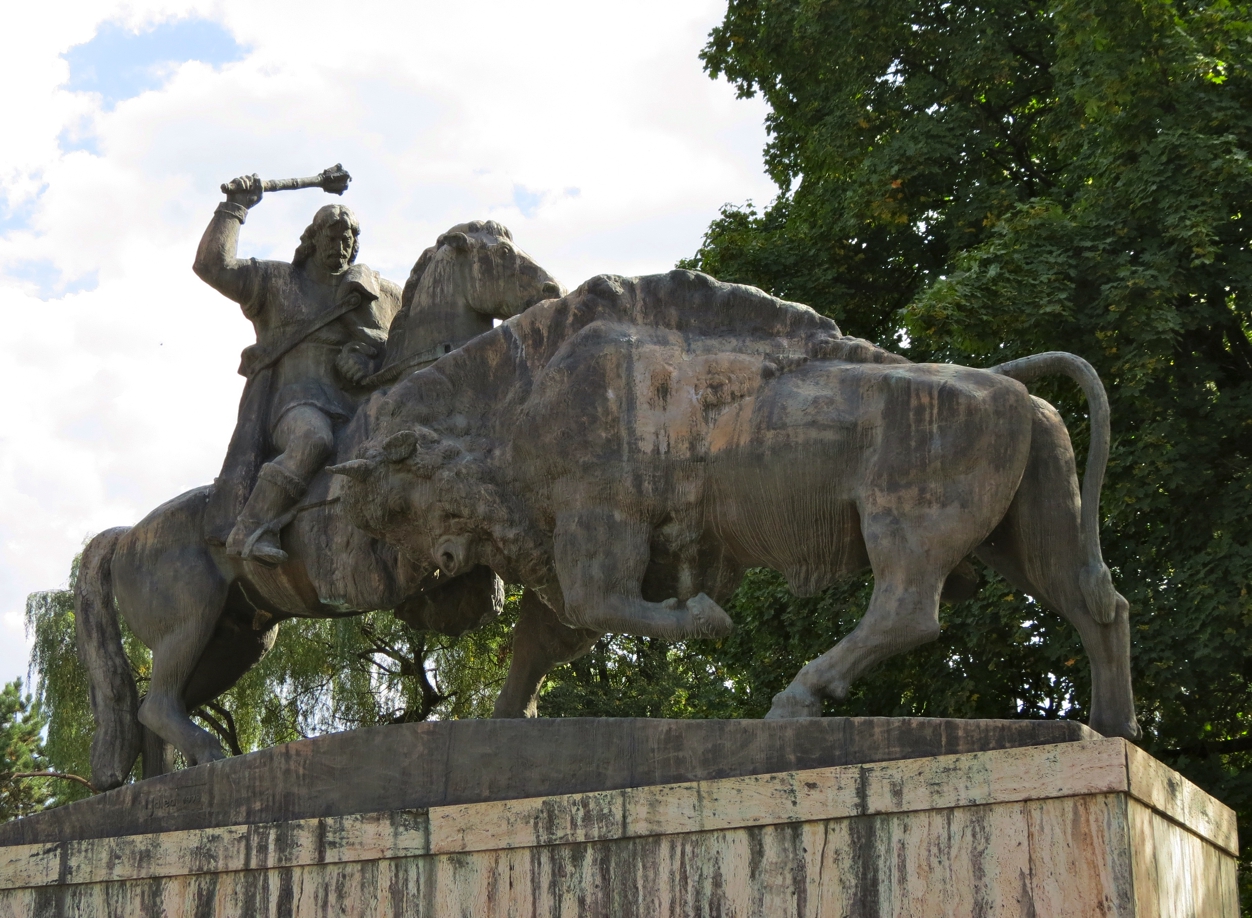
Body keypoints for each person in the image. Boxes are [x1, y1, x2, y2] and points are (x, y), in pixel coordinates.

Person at [194, 174, 403, 566]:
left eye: (348, 240)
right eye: (331, 237)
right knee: (313, 439)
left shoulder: (377, 294)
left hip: (357, 404)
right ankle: (252, 528)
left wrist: (365, 353)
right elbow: (212, 265)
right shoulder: (276, 282)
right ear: (312, 240)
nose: (340, 246)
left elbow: (407, 341)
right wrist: (234, 208)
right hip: (293, 403)